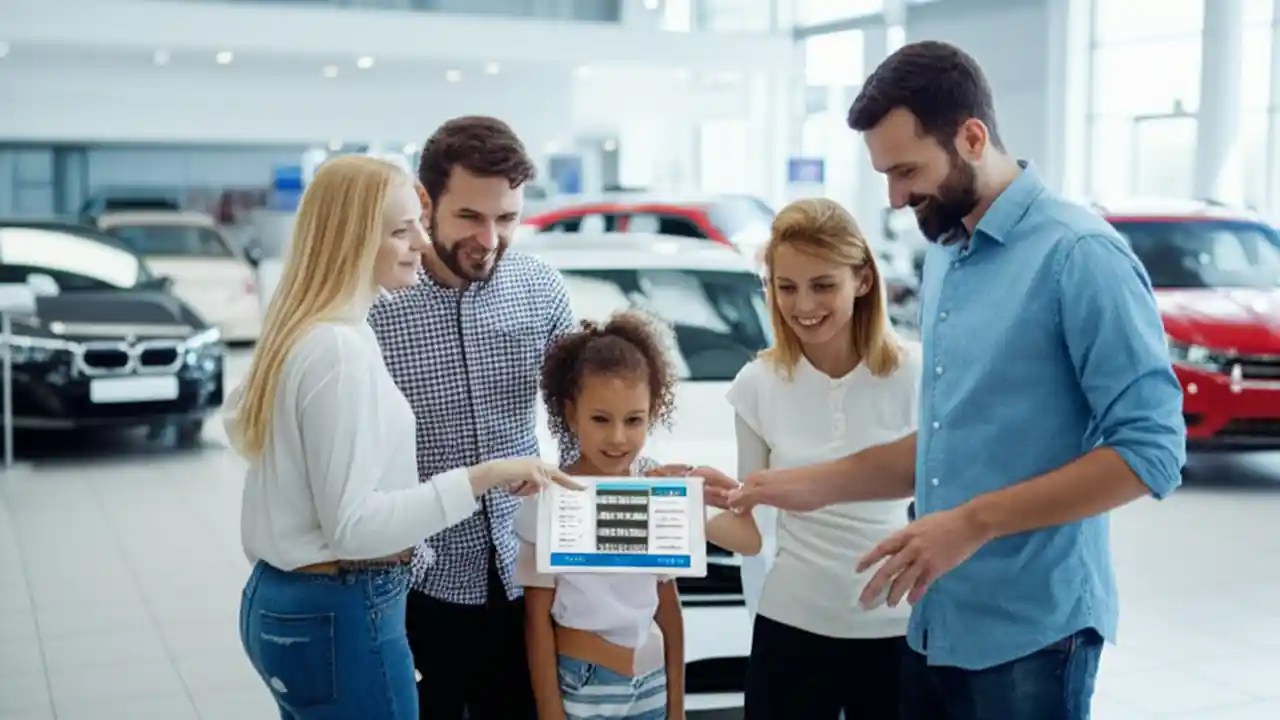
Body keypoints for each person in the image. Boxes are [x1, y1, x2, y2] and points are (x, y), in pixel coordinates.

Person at [730, 40, 1186, 720]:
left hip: (1031, 631)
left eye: (907, 170)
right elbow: (946, 447)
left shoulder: (1079, 256)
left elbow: (1152, 453)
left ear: (972, 136)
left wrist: (970, 524)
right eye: (884, 174)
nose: (894, 196)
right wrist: (777, 487)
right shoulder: (947, 254)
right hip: (933, 621)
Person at [227, 155, 578, 720]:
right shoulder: (338, 350)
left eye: (417, 222)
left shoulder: (327, 333)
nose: (421, 241)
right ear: (353, 239)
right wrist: (483, 476)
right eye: (400, 228)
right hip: (342, 604)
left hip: (301, 601)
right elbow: (353, 528)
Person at [366, 115, 576, 720]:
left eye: (506, 218)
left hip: (523, 571)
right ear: (426, 203)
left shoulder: (540, 289)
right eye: (470, 217)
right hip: (417, 580)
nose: (489, 237)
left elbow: (572, 422)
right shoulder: (378, 305)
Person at [725, 198, 919, 720]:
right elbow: (748, 532)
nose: (802, 304)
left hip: (896, 632)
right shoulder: (756, 385)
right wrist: (684, 508)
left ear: (862, 280)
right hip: (791, 629)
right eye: (785, 287)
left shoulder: (917, 374)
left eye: (822, 285)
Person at [515, 311, 762, 720]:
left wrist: (677, 708)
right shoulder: (549, 497)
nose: (617, 438)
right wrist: (549, 711)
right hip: (583, 684)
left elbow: (671, 607)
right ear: (571, 413)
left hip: (651, 685)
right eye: (600, 419)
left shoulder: (658, 490)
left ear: (653, 412)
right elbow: (536, 618)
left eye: (634, 420)